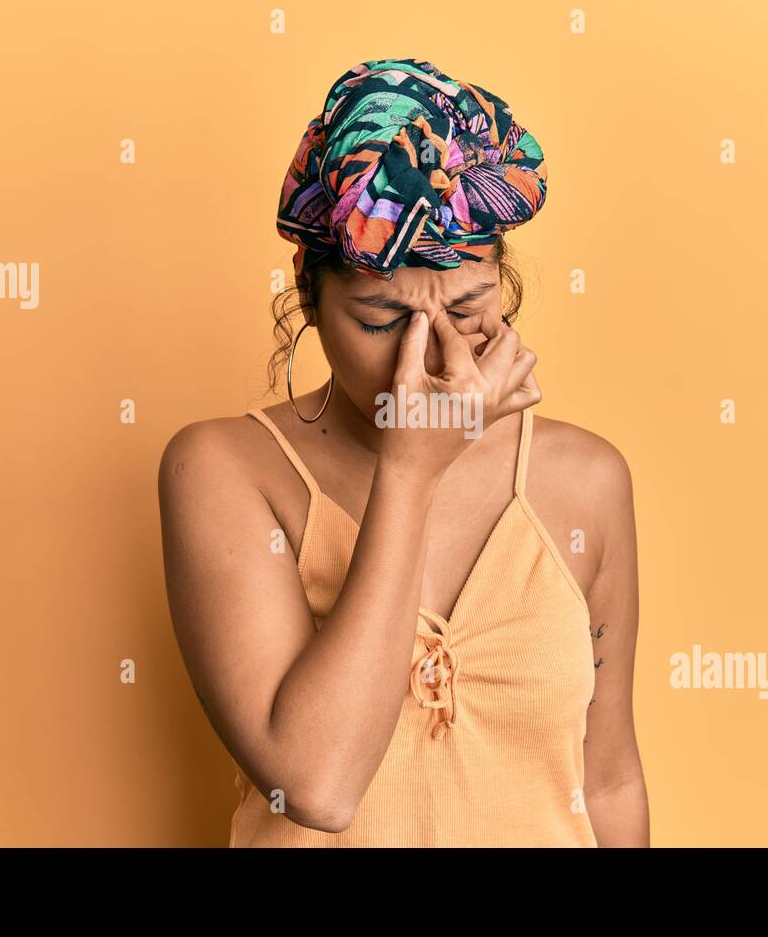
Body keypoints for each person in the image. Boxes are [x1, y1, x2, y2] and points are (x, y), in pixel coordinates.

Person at [159, 58, 648, 846]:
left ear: (503, 284)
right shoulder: (220, 471)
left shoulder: (586, 480)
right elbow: (317, 783)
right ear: (309, 296)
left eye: (468, 305)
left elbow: (611, 775)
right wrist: (412, 471)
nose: (427, 357)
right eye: (383, 318)